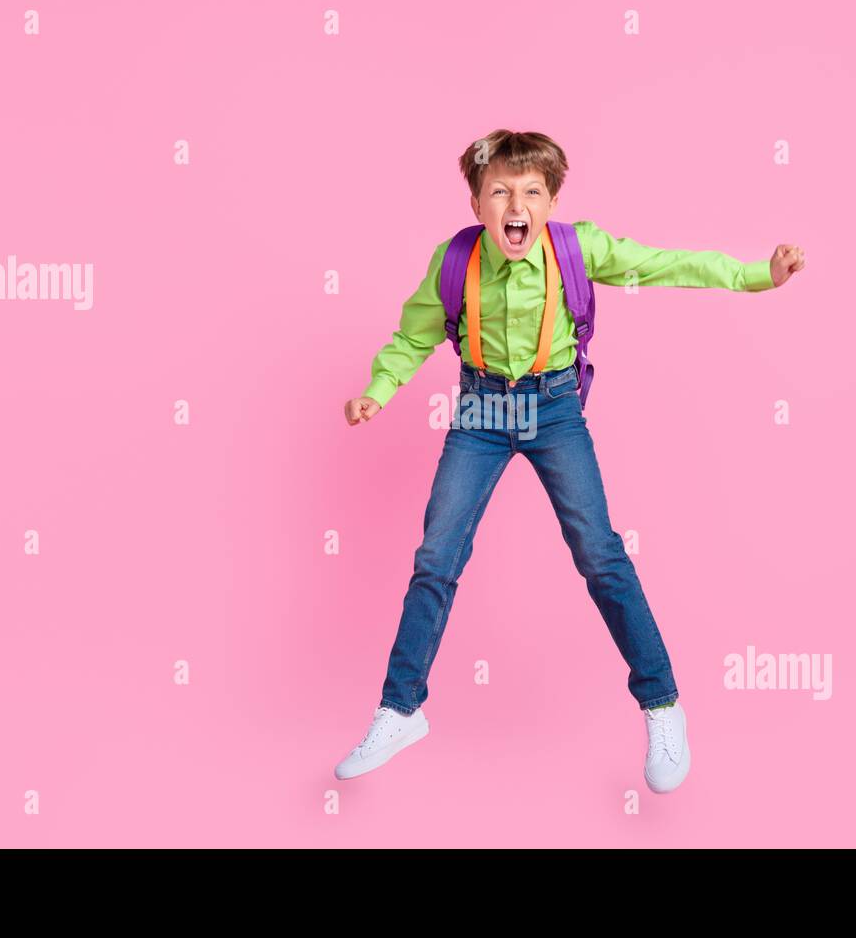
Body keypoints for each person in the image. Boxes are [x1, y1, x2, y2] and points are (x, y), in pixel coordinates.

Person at [335, 129, 805, 792]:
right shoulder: (454, 260)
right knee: (436, 558)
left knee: (600, 552)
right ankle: (400, 710)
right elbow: (412, 337)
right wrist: (376, 392)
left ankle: (663, 704)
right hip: (479, 414)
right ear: (477, 204)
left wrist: (757, 276)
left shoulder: (579, 249)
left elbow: (667, 263)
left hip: (554, 409)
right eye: (499, 190)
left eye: (530, 190)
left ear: (552, 201)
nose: (515, 203)